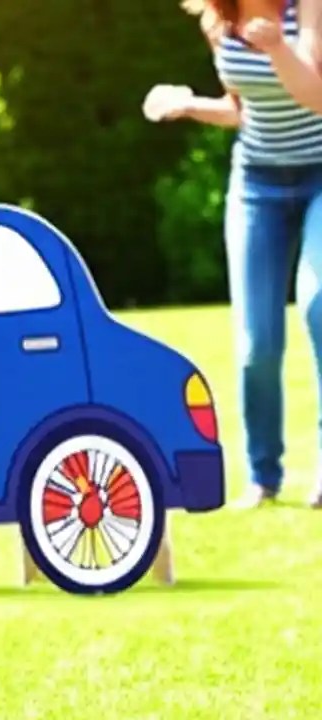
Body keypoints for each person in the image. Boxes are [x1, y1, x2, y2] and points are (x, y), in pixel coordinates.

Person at [143, 0, 322, 509]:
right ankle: (264, 478)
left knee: (319, 307)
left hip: (319, 175)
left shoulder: (307, 9)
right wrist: (188, 104)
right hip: (256, 185)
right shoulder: (219, 21)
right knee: (255, 344)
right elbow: (241, 110)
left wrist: (278, 47)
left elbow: (318, 96)